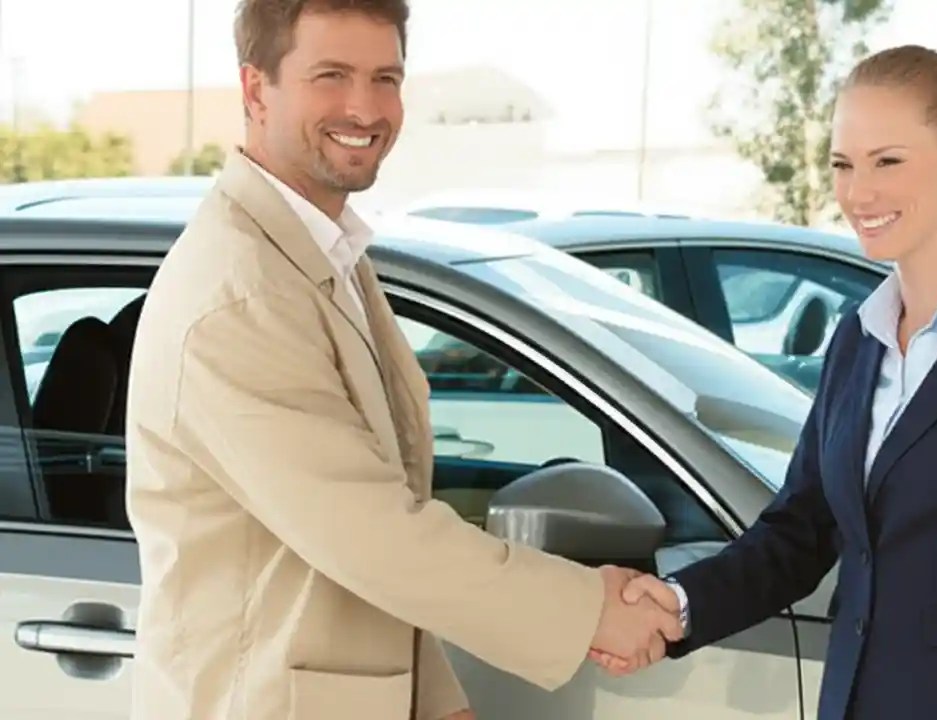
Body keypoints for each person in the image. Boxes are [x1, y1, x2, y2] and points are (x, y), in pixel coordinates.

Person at [124, 2, 678, 719]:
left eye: (386, 77)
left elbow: (362, 554)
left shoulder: (326, 256)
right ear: (256, 89)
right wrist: (589, 610)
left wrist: (440, 703)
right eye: (332, 75)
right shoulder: (241, 292)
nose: (365, 106)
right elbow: (373, 536)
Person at [594, 44, 937, 720]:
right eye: (844, 165)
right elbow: (800, 531)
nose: (859, 193)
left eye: (888, 162)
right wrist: (678, 605)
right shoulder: (859, 339)